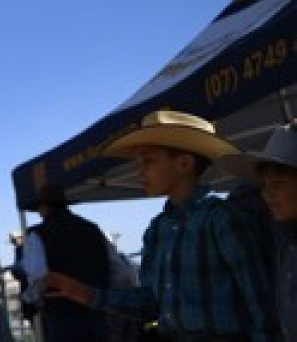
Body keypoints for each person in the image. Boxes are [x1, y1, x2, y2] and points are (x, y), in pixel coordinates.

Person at [46, 109, 279, 341]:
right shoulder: (157, 229)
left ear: (184, 163)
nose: (139, 170)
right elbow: (150, 302)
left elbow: (261, 304)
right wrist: (86, 294)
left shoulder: (223, 219)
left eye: (148, 160)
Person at [216, 122, 297, 340]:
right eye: (263, 185)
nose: (267, 195)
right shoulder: (284, 240)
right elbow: (244, 194)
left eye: (278, 185)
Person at [19, 185, 112, 341]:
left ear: (44, 207)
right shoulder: (92, 228)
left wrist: (28, 299)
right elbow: (118, 271)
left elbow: (38, 277)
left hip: (62, 317)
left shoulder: (38, 234)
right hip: (97, 311)